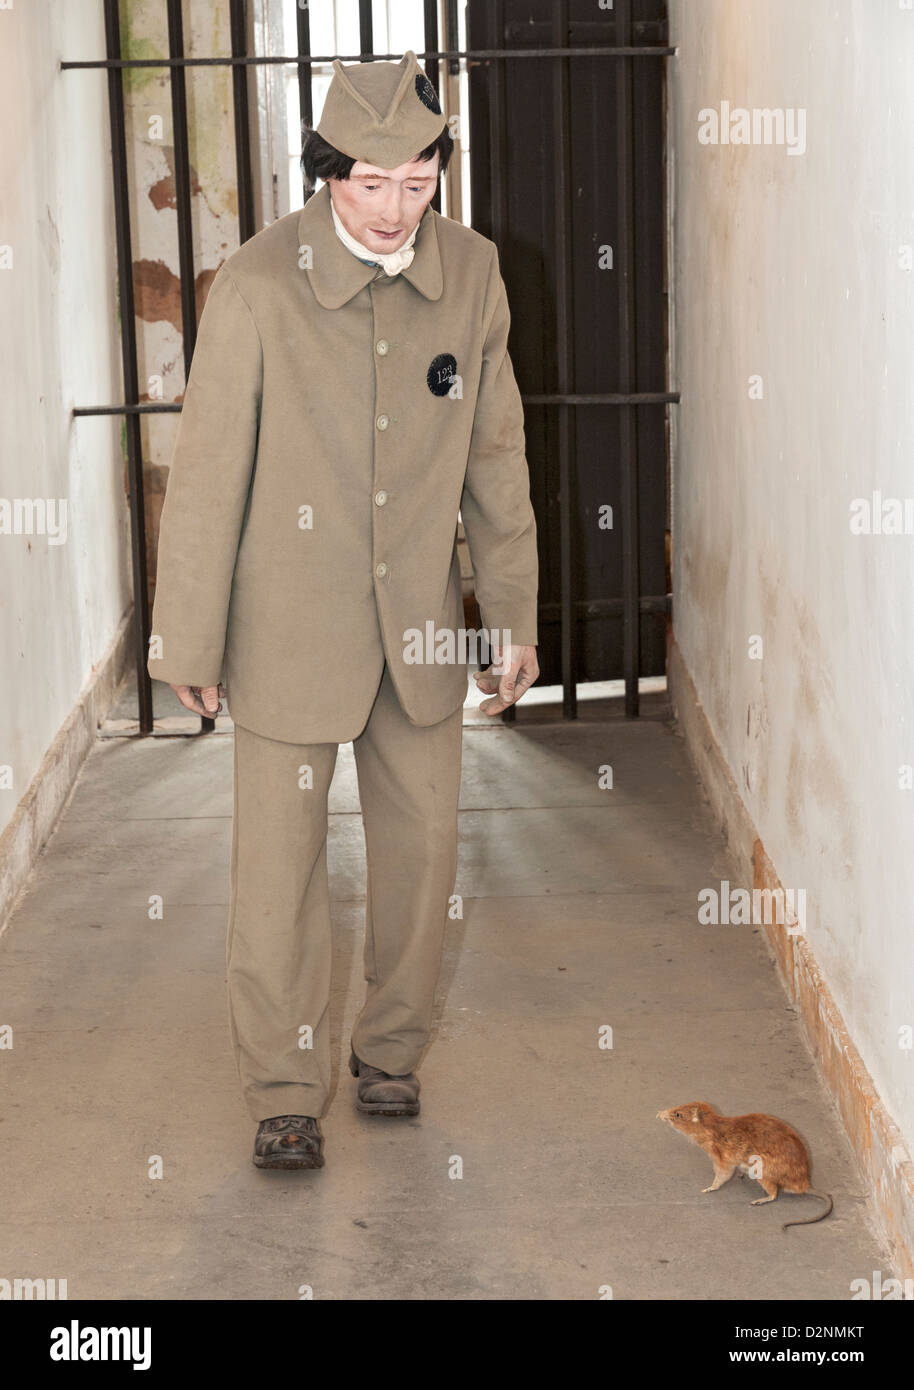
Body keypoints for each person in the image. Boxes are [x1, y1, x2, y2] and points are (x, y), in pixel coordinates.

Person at [148, 51, 539, 1169]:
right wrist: (191, 636)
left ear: (435, 173)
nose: (389, 208)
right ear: (325, 174)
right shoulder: (261, 281)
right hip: (284, 629)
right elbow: (211, 468)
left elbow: (496, 456)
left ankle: (389, 1054)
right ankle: (281, 1088)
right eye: (367, 184)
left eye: (415, 184)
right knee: (277, 877)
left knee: (421, 866)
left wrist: (508, 613)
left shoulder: (471, 274)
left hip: (418, 629)